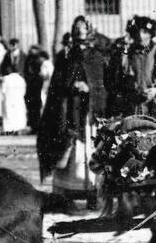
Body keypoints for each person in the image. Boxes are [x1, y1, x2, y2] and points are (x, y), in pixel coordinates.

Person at [37, 16, 108, 202]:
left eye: (82, 27)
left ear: (89, 30)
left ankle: (94, 193)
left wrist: (89, 88)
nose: (79, 31)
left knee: (91, 152)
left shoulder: (98, 56)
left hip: (90, 116)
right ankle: (68, 195)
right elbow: (56, 85)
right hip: (70, 114)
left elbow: (104, 85)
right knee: (71, 155)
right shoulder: (65, 56)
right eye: (75, 27)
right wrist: (70, 87)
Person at [106, 15, 156, 129]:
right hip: (133, 108)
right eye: (138, 31)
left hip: (155, 108)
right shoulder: (128, 55)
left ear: (151, 34)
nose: (140, 35)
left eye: (144, 32)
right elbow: (117, 79)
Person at [24, 44, 46, 133]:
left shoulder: (38, 59)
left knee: (36, 106)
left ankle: (36, 126)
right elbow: (27, 70)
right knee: (31, 106)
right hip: (30, 84)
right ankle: (33, 126)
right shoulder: (29, 59)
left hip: (36, 84)